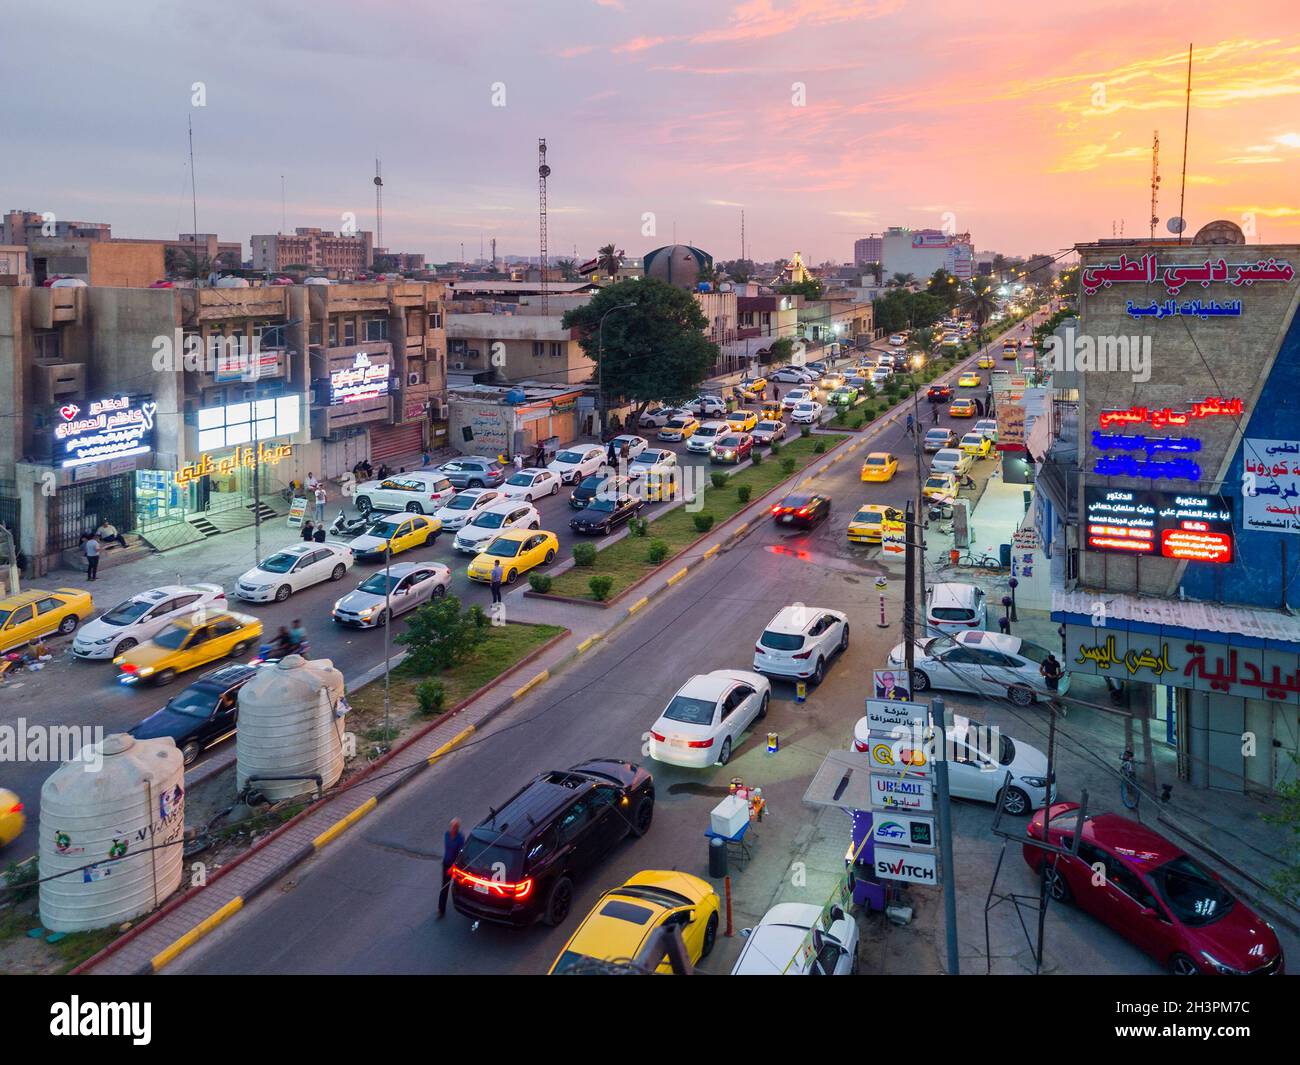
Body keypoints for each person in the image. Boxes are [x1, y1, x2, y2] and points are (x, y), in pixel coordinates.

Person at [438, 817, 465, 918]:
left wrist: (453, 867)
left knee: (459, 884)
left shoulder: (460, 838)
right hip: (446, 864)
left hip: (455, 866)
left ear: (457, 828)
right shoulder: (447, 835)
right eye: (452, 826)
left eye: (455, 827)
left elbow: (460, 854)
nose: (453, 828)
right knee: (444, 887)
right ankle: (441, 909)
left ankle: (462, 904)